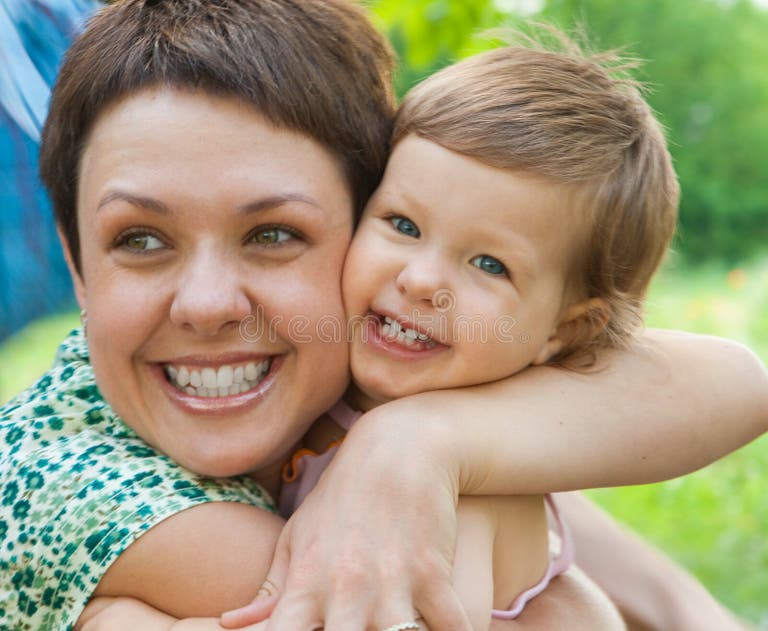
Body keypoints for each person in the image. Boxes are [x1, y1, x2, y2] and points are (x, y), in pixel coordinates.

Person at [1, 2, 766, 631]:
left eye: (274, 234)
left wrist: (422, 441)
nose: (207, 304)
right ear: (76, 262)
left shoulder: (366, 400)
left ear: (355, 218)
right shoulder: (54, 478)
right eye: (140, 239)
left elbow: (737, 382)